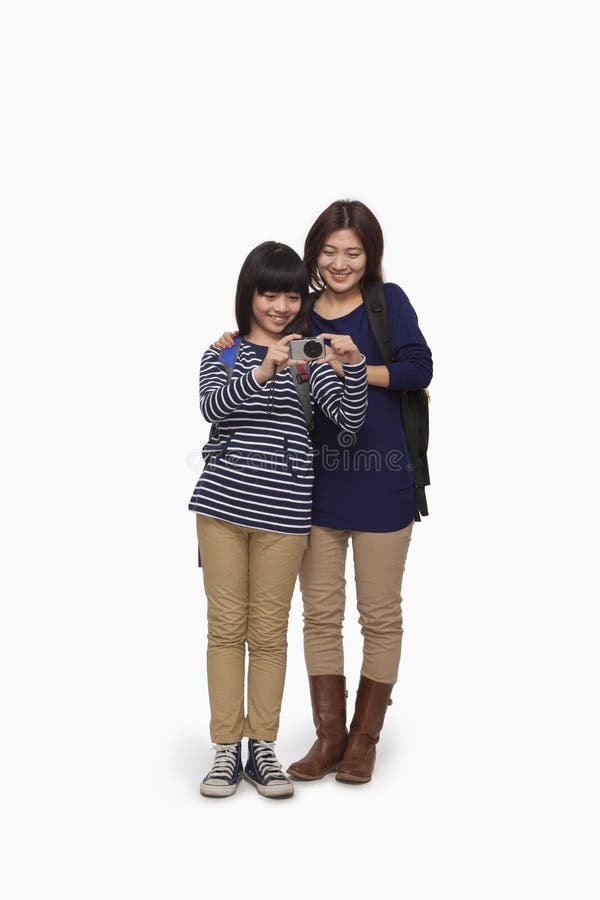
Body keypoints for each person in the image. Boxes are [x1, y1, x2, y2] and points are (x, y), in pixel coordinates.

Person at [213, 201, 433, 784]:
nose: (340, 262)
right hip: (313, 484)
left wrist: (356, 366)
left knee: (380, 614)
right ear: (314, 254)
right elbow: (262, 344)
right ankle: (328, 738)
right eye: (330, 251)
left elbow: (419, 369)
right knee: (320, 615)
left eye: (353, 252)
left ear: (370, 256)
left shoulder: (389, 304)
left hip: (385, 479)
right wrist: (239, 346)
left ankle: (363, 741)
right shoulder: (299, 313)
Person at [189, 240, 367, 799]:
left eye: (292, 295)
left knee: (268, 634)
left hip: (286, 513)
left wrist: (352, 367)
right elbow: (213, 407)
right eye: (270, 293)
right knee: (226, 630)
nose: (281, 306)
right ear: (250, 294)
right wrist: (263, 370)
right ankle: (224, 750)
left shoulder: (308, 356)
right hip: (221, 507)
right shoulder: (222, 352)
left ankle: (260, 748)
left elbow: (349, 421)